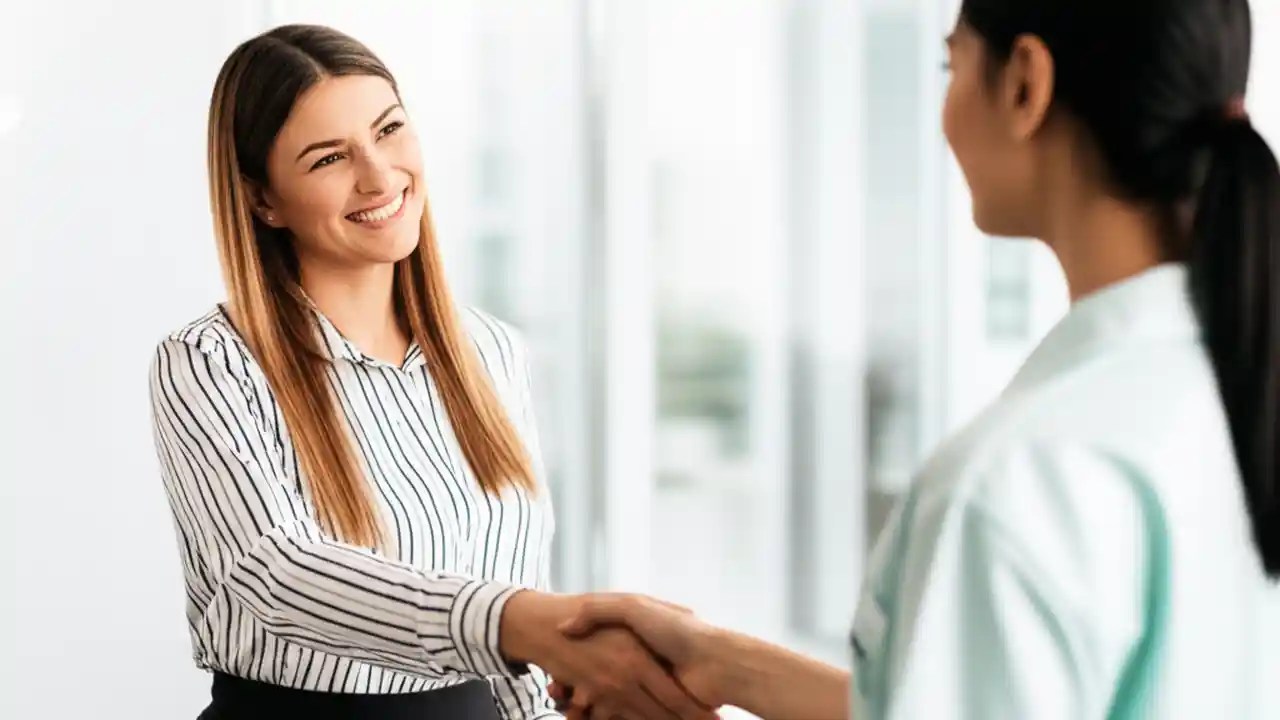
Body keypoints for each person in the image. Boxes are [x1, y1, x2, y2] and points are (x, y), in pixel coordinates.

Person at [551, 0, 1280, 717]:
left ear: (1025, 83)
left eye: (950, 63)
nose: (945, 108)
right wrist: (726, 665)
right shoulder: (1229, 390)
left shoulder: (1017, 479)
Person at [148, 24, 713, 720]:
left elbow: (514, 594)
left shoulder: (490, 352)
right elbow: (272, 576)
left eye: (389, 130)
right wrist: (518, 622)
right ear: (264, 201)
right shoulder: (211, 362)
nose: (379, 175)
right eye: (329, 159)